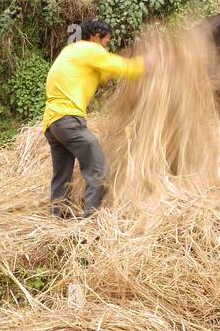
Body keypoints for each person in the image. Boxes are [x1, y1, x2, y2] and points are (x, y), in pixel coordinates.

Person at [43, 19, 148, 218]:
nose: (106, 47)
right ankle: (91, 218)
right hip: (69, 120)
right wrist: (148, 63)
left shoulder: (72, 51)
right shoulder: (91, 50)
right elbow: (125, 68)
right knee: (99, 170)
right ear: (96, 37)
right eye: (106, 42)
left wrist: (119, 62)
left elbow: (101, 76)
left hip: (52, 124)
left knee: (62, 175)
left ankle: (58, 215)